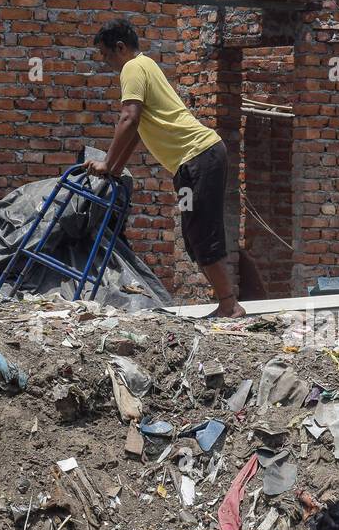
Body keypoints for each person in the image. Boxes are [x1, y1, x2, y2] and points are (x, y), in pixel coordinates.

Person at [87, 18, 245, 317]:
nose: (107, 63)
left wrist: (106, 162)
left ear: (120, 47)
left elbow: (128, 119)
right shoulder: (146, 65)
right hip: (196, 161)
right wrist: (115, 169)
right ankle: (227, 303)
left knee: (201, 232)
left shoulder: (132, 68)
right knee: (193, 231)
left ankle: (229, 305)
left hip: (199, 158)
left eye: (107, 55)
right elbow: (136, 129)